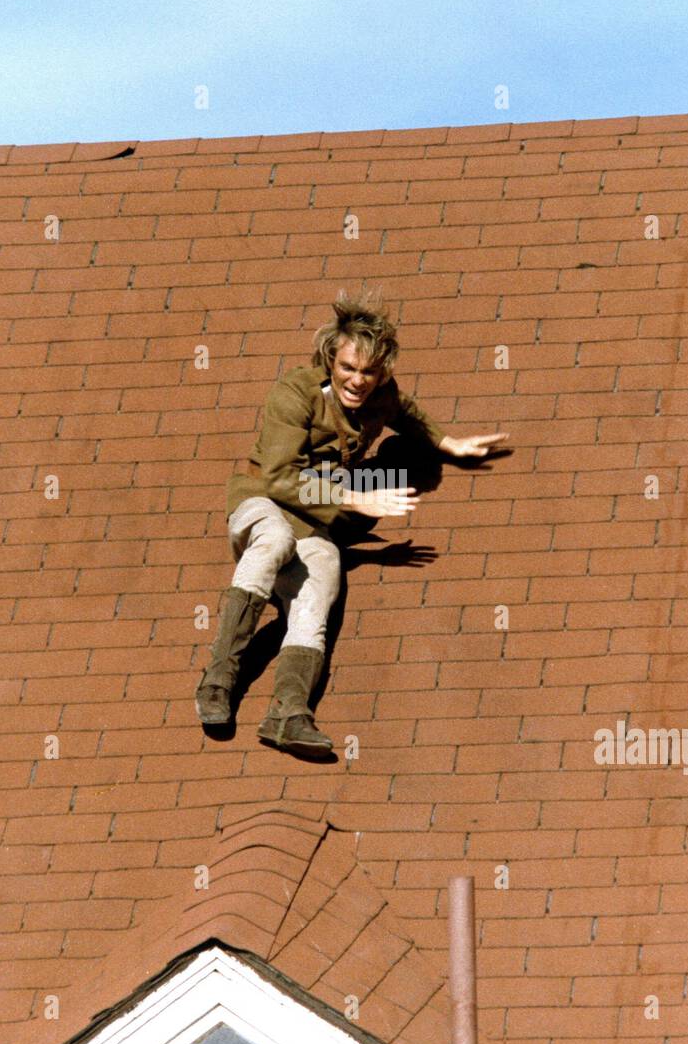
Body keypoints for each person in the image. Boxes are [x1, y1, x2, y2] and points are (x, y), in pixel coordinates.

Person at [196, 287, 508, 758]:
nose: (357, 381)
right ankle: (219, 678)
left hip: (314, 524)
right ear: (330, 359)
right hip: (263, 501)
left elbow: (406, 413)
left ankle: (288, 711)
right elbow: (280, 478)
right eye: (348, 368)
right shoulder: (295, 392)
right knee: (275, 539)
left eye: (368, 372)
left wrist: (449, 444)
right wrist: (356, 499)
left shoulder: (380, 394)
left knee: (324, 577)